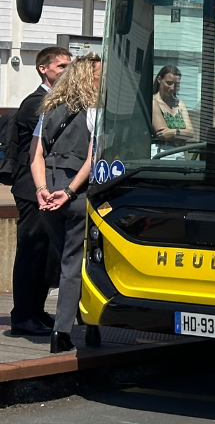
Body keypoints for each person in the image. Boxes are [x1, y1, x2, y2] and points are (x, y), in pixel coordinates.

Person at [29, 53, 100, 353]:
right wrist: (69, 192)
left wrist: (42, 190)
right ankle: (64, 332)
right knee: (74, 264)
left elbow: (36, 156)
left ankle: (88, 325)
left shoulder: (49, 108)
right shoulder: (94, 110)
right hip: (74, 195)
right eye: (99, 73)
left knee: (65, 261)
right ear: (89, 77)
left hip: (48, 196)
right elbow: (92, 158)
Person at [6, 46, 70, 337]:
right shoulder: (36, 103)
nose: (67, 71)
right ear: (43, 69)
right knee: (31, 251)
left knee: (45, 253)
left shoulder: (55, 101)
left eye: (69, 66)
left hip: (47, 188)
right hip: (32, 188)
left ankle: (35, 310)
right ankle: (22, 316)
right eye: (61, 67)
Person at [151, 65, 195, 146]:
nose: (172, 88)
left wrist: (174, 132)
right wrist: (182, 133)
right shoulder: (153, 103)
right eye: (169, 83)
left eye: (176, 84)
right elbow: (164, 134)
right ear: (159, 79)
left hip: (180, 153)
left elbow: (191, 132)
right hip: (162, 151)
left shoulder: (179, 104)